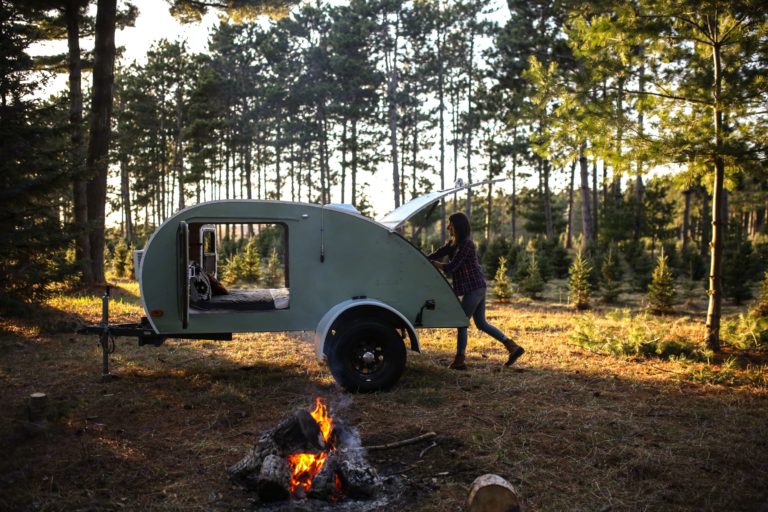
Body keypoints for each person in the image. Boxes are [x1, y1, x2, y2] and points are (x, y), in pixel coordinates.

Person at [428, 212, 524, 370]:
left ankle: (459, 360)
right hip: (474, 288)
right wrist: (423, 259)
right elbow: (439, 252)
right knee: (481, 323)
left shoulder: (467, 244)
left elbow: (452, 267)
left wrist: (434, 264)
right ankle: (512, 346)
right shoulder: (453, 243)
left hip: (474, 288)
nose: (447, 227)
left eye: (450, 224)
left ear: (457, 226)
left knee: (461, 322)